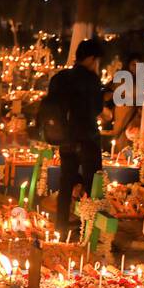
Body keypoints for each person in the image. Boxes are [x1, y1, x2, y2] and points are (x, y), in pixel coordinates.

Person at [50, 38, 106, 230]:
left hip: (65, 139)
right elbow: (97, 109)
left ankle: (61, 226)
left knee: (66, 183)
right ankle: (89, 229)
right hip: (87, 138)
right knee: (93, 185)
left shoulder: (60, 78)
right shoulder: (91, 80)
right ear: (91, 59)